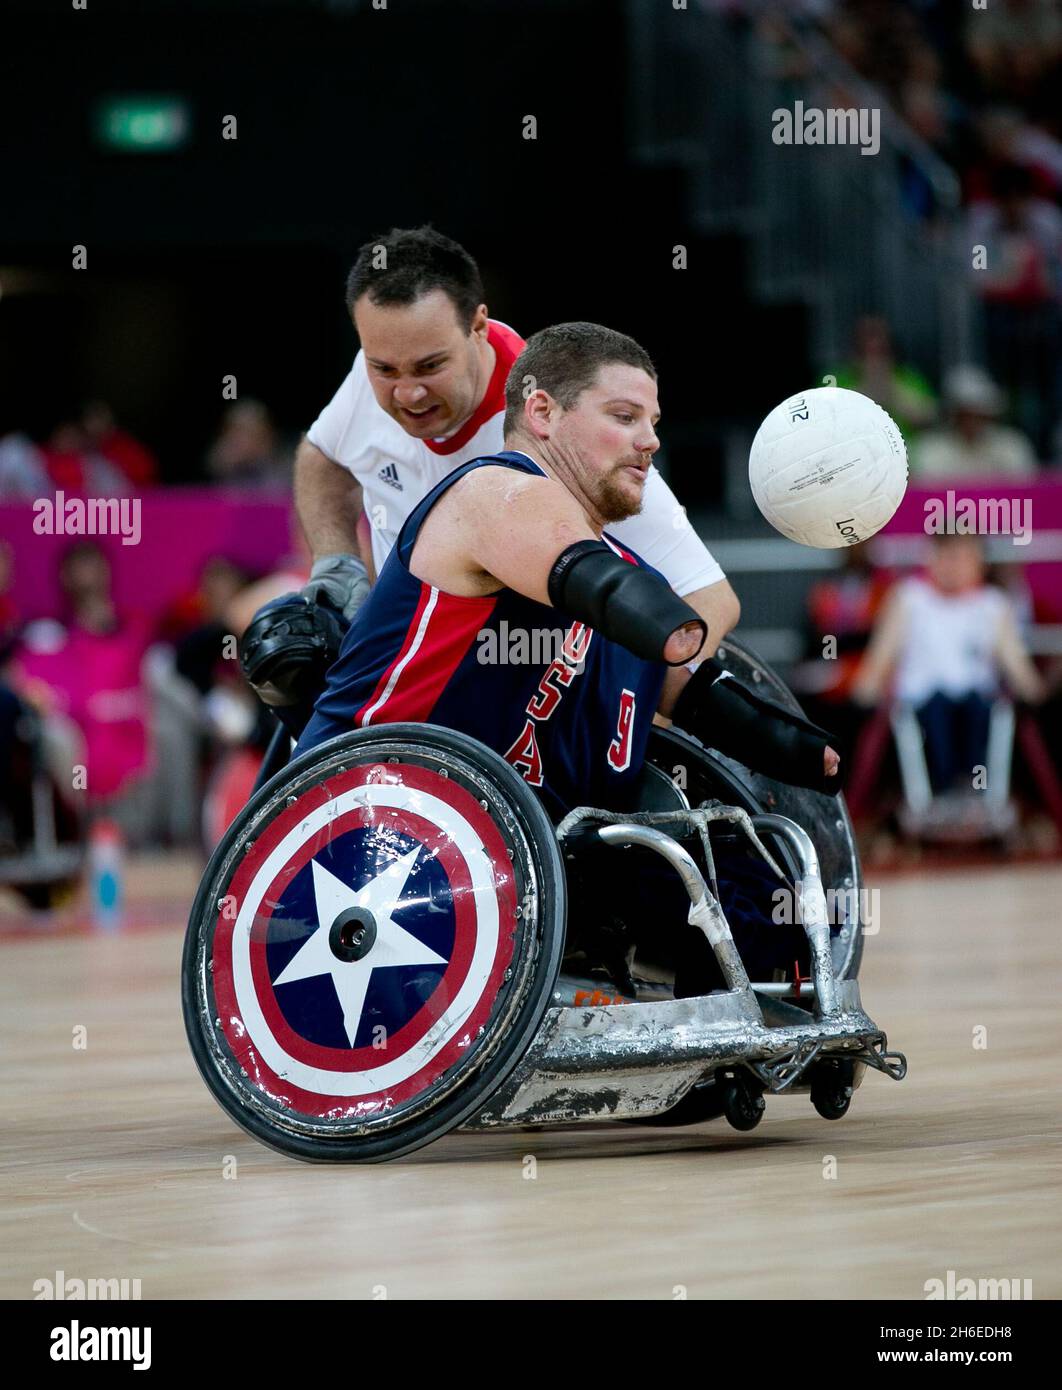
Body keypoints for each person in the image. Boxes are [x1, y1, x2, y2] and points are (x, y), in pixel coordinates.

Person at [295, 322, 840, 995]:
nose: (651, 440)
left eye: (653, 420)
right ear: (543, 412)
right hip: (370, 823)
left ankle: (730, 1034)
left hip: (522, 848)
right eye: (623, 417)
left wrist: (806, 754)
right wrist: (671, 622)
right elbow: (600, 585)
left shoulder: (619, 574)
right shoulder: (491, 495)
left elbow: (696, 695)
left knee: (757, 888)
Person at [278, 227, 739, 686]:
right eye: (384, 369)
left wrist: (634, 723)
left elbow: (710, 598)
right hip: (405, 677)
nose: (409, 392)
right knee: (281, 645)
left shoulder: (552, 422)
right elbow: (322, 454)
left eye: (430, 367)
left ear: (478, 327)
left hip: (513, 696)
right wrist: (337, 561)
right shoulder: (382, 366)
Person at [852, 533, 1045, 794]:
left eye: (963, 557)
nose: (954, 566)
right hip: (922, 708)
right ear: (931, 558)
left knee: (985, 712)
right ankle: (941, 788)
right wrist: (865, 697)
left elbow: (1019, 670)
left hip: (977, 707)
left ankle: (974, 790)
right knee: (937, 709)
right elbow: (879, 659)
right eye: (947, 556)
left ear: (980, 563)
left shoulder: (993, 605)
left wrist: (1036, 698)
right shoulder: (909, 598)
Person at [911, 365, 1039, 479]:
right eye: (965, 414)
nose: (972, 421)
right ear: (953, 415)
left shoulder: (1011, 445)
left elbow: (1026, 491)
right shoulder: (931, 448)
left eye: (980, 413)